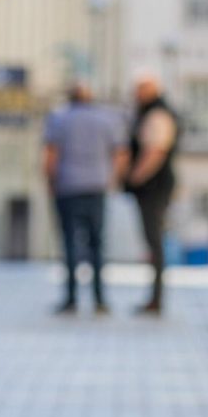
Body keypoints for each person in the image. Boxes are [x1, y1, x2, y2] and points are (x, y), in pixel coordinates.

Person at [42, 83, 127, 315]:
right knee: (97, 245)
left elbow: (50, 154)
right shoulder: (107, 119)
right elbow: (120, 154)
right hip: (97, 187)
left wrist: (50, 181)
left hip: (67, 187)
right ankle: (100, 299)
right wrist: (112, 180)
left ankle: (71, 299)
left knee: (69, 244)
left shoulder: (59, 118)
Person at [125, 75, 179, 315]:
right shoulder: (151, 112)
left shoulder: (157, 114)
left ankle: (156, 298)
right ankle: (154, 297)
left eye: (139, 90)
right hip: (153, 185)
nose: (135, 95)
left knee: (154, 241)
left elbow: (156, 151)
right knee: (153, 241)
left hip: (154, 187)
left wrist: (134, 177)